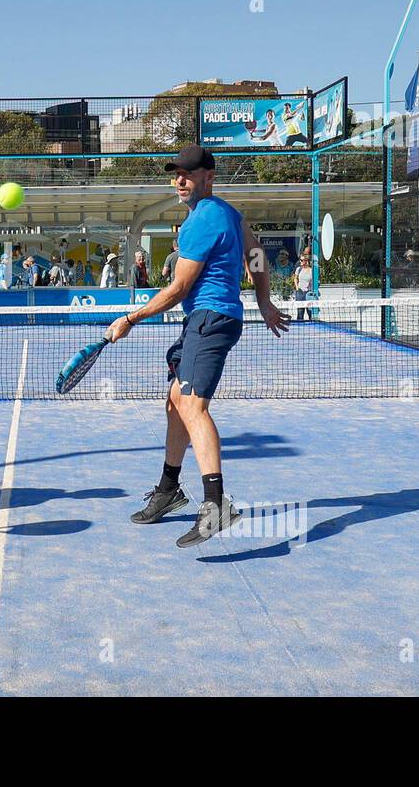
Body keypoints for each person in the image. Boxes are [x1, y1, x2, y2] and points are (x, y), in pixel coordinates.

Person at [106, 145, 288, 547]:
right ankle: (169, 488)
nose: (180, 181)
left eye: (188, 174)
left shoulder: (200, 222)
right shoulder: (227, 213)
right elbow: (256, 254)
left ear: (209, 175)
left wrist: (131, 319)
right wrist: (262, 299)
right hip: (207, 320)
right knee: (175, 402)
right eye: (176, 175)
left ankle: (215, 504)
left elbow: (180, 287)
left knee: (192, 405)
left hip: (209, 318)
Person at [292, 255, 313, 322]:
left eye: (301, 260)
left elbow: (313, 281)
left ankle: (312, 325)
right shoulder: (298, 269)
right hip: (300, 292)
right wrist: (297, 288)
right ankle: (299, 325)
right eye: (300, 260)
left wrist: (309, 288)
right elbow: (295, 278)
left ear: (306, 261)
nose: (300, 261)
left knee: (310, 311)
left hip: (308, 293)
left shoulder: (311, 270)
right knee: (300, 312)